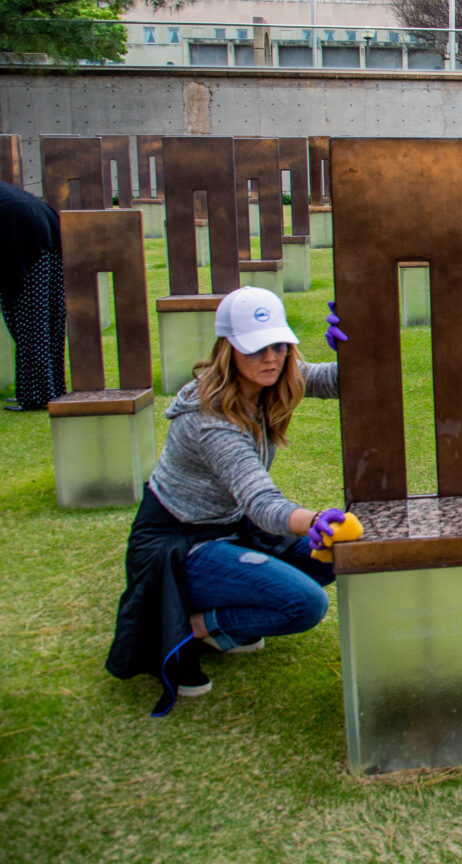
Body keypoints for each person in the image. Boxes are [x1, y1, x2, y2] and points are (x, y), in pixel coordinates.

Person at [106, 286, 352, 715]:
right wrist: (311, 519)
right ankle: (188, 626)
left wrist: (359, 345)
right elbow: (261, 501)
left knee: (340, 557)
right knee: (306, 603)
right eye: (256, 349)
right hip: (182, 543)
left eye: (278, 345)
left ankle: (222, 618)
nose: (270, 358)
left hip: (232, 528)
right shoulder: (210, 419)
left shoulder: (276, 377)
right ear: (229, 350)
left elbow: (335, 382)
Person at [0, 180, 66, 410]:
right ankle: (53, 388)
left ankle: (36, 395)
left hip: (22, 232)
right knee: (50, 318)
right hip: (47, 224)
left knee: (29, 320)